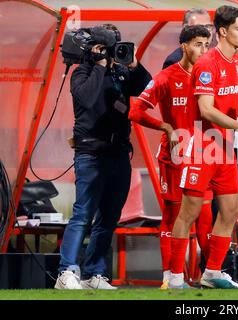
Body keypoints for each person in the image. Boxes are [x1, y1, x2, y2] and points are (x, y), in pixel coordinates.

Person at [167, 5, 238, 289]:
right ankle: (174, 276)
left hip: (226, 150)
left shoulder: (236, 64)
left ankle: (212, 272)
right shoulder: (207, 64)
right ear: (222, 31)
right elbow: (206, 110)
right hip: (203, 148)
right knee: (189, 213)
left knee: (230, 211)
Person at [55, 24, 151, 290]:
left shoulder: (120, 73)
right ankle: (67, 272)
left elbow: (147, 88)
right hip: (91, 154)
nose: (111, 53)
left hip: (119, 153)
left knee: (109, 217)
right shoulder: (81, 73)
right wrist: (98, 65)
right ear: (94, 49)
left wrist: (133, 65)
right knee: (83, 213)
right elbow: (87, 98)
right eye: (107, 49)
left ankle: (94, 273)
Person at [128, 25, 212, 289]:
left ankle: (208, 276)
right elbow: (136, 112)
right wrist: (165, 126)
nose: (203, 50)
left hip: (204, 156)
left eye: (207, 45)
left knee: (206, 217)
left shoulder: (209, 77)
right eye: (198, 44)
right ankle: (169, 277)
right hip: (174, 157)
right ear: (184, 46)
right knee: (174, 215)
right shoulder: (165, 77)